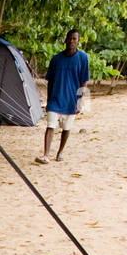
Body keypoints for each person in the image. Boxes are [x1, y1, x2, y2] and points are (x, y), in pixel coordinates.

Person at [37, 29, 91, 164]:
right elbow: (50, 81)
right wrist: (48, 100)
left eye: (74, 39)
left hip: (71, 100)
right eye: (69, 38)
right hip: (56, 98)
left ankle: (60, 152)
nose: (71, 41)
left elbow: (84, 82)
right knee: (51, 125)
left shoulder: (83, 59)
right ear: (65, 40)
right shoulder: (56, 59)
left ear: (78, 41)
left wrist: (80, 101)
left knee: (66, 128)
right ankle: (46, 155)